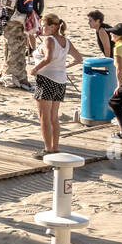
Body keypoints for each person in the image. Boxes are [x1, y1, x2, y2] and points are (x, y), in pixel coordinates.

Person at [29, 13, 84, 155]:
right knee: (54, 117)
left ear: (53, 26)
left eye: (44, 25)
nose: (42, 27)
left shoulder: (49, 40)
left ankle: (48, 150)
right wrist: (64, 67)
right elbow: (79, 58)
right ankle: (55, 148)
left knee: (44, 117)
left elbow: (48, 58)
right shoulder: (65, 41)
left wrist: (35, 69)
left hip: (46, 80)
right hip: (61, 81)